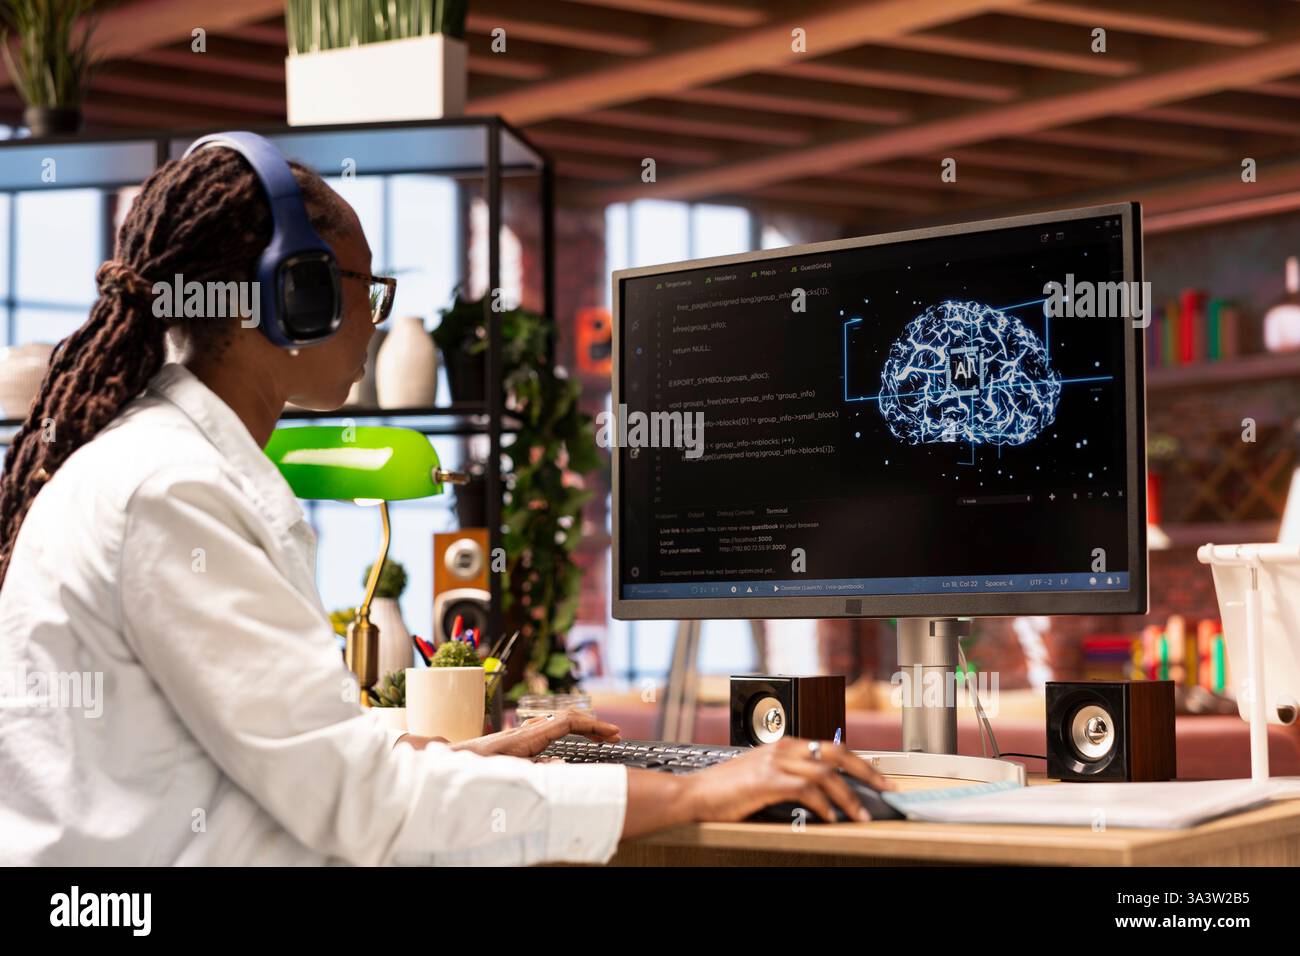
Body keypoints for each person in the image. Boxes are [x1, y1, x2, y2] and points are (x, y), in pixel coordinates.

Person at [0, 140, 889, 866]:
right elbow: (363, 810)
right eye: (364, 289)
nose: (375, 319)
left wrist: (469, 759)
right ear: (292, 295)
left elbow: (288, 767)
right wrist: (698, 788)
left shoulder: (160, 467)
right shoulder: (172, 493)